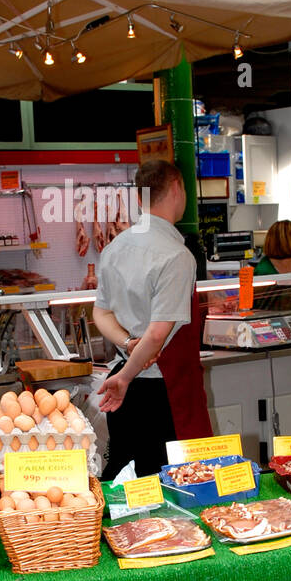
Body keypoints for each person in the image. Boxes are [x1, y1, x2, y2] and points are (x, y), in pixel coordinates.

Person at [94, 159, 211, 479]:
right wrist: (126, 377)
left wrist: (128, 344)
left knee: (130, 487)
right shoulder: (177, 256)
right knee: (178, 485)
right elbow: (157, 335)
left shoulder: (114, 248)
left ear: (139, 198)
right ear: (177, 189)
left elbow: (100, 314)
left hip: (128, 396)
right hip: (165, 396)